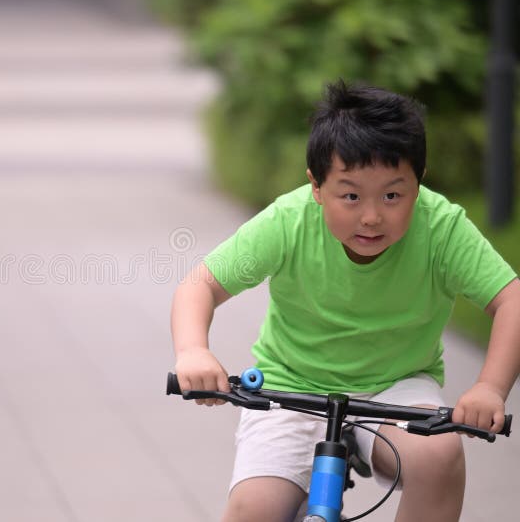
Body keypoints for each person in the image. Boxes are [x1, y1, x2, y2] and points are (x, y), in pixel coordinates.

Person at [171, 80, 520, 522]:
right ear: (316, 187)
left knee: (440, 455)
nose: (372, 216)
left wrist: (490, 387)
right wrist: (193, 351)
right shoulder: (290, 220)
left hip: (396, 388)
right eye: (351, 196)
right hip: (292, 387)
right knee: (253, 510)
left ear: (419, 182)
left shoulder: (442, 228)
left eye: (393, 195)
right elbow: (199, 285)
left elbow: (511, 299)